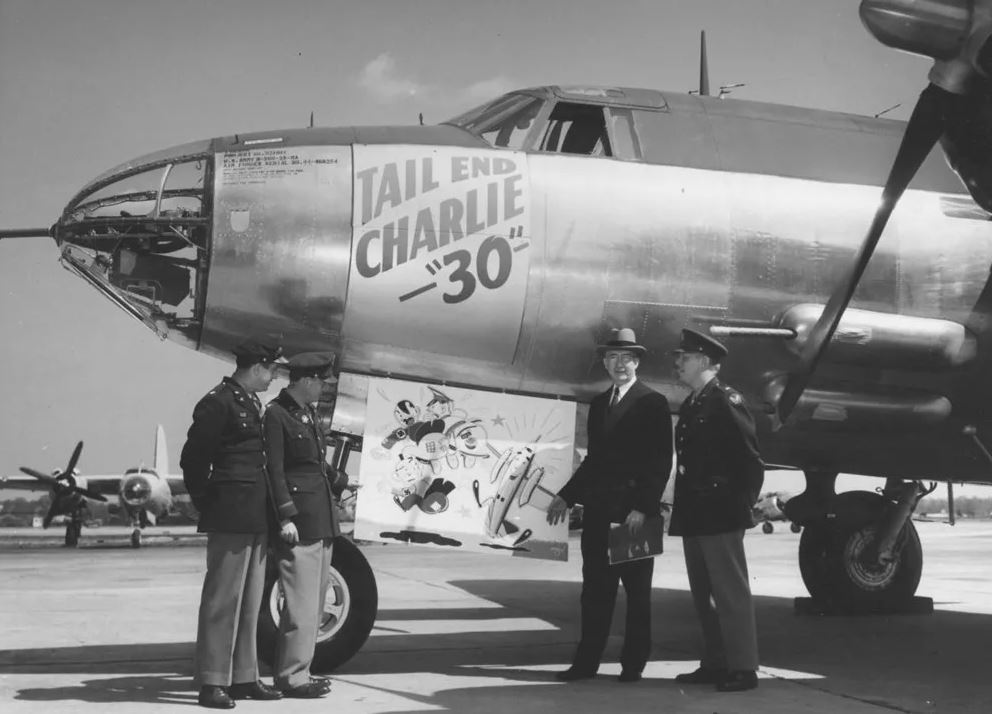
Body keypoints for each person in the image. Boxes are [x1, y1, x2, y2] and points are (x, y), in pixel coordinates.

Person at [546, 327, 672, 683]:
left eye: (626, 358)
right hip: (600, 513)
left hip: (634, 517)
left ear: (637, 363)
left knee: (637, 595)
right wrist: (567, 495)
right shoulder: (600, 403)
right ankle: (586, 663)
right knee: (595, 592)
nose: (619, 364)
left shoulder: (653, 402)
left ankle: (633, 664)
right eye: (613, 357)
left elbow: (660, 462)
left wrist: (643, 507)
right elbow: (594, 461)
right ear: (604, 362)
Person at [181, 336, 284, 709]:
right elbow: (193, 460)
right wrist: (208, 504)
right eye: (271, 371)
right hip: (230, 514)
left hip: (255, 514)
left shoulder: (251, 403)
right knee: (222, 601)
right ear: (256, 367)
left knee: (250, 602)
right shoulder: (218, 402)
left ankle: (243, 677)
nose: (273, 378)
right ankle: (212, 682)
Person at [669, 328, 764, 692]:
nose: (678, 363)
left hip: (721, 513)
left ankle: (744, 668)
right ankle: (715, 663)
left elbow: (750, 461)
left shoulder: (726, 400)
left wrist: (741, 508)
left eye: (685, 357)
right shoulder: (693, 403)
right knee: (704, 593)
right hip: (696, 512)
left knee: (729, 593)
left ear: (705, 361)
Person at [263, 352, 347, 699]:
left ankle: (301, 671)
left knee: (313, 604)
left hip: (320, 519)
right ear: (307, 380)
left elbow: (314, 465)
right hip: (300, 523)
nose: (323, 388)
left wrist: (340, 481)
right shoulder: (276, 414)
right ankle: (292, 677)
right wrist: (285, 516)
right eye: (321, 382)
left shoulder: (306, 413)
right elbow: (274, 470)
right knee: (300, 605)